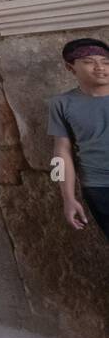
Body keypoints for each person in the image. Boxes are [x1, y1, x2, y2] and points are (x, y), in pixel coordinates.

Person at [48, 37, 109, 239]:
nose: (100, 68)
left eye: (106, 61)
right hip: (99, 187)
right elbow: (60, 152)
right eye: (89, 62)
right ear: (70, 67)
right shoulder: (61, 103)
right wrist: (67, 197)